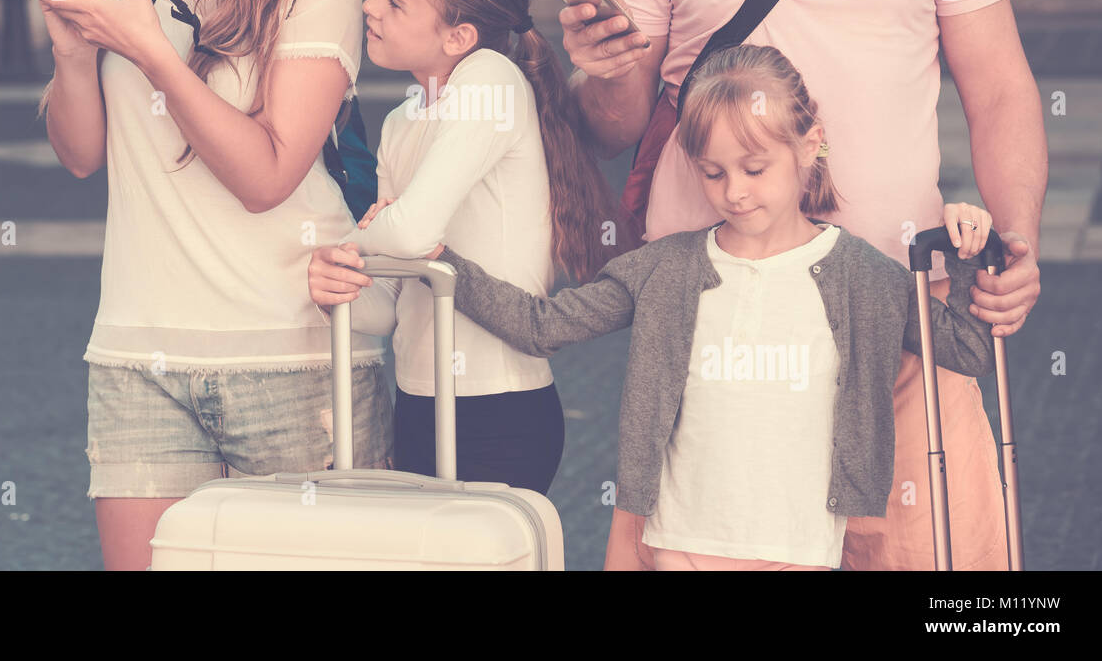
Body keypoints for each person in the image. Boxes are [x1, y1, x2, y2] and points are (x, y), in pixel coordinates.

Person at [561, 0, 1045, 570]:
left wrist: (1013, 242)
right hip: (717, 323)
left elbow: (1000, 88)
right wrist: (606, 66)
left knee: (938, 566)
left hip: (902, 304)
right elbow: (617, 126)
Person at [331, 43, 1007, 569]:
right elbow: (543, 326)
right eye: (712, 173)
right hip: (678, 541)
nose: (734, 192)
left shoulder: (863, 275)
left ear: (809, 145)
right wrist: (438, 261)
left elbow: (971, 350)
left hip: (800, 547)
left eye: (753, 168)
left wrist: (975, 246)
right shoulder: (668, 268)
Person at [25, 0, 389, 571]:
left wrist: (148, 48)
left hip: (294, 357)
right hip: (137, 350)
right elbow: (80, 155)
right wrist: (75, 56)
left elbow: (268, 174)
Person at [307, 0, 620, 495]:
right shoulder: (403, 122)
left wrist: (367, 242)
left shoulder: (490, 80)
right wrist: (339, 280)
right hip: (419, 406)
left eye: (395, 2)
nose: (370, 6)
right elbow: (385, 306)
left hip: (497, 412)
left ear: (459, 37)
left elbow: (407, 236)